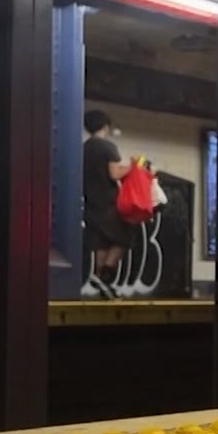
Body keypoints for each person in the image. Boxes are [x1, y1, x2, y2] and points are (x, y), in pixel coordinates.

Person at [83, 109, 134, 296]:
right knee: (123, 239)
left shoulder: (83, 148)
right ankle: (105, 276)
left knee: (101, 244)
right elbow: (114, 174)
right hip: (109, 205)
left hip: (91, 205)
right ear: (105, 126)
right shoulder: (107, 147)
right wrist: (133, 166)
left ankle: (98, 280)